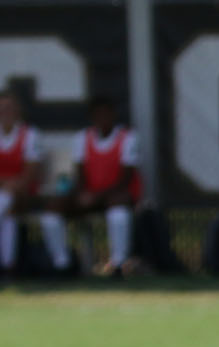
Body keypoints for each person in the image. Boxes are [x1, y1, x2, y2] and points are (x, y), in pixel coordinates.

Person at [54, 97, 140, 276]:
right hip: (91, 195)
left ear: (113, 115)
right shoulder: (82, 138)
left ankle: (119, 264)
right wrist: (82, 195)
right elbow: (80, 174)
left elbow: (126, 178)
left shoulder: (128, 138)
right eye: (98, 115)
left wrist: (97, 196)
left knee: (119, 209)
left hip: (115, 195)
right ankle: (61, 264)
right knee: (53, 208)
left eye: (106, 114)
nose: (102, 119)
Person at [0, 89, 71, 277]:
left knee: (6, 200)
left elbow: (30, 174)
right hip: (7, 197)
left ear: (18, 111)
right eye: (2, 109)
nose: (5, 113)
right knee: (7, 211)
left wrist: (12, 186)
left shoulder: (30, 135)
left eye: (9, 108)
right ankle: (8, 266)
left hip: (26, 195)